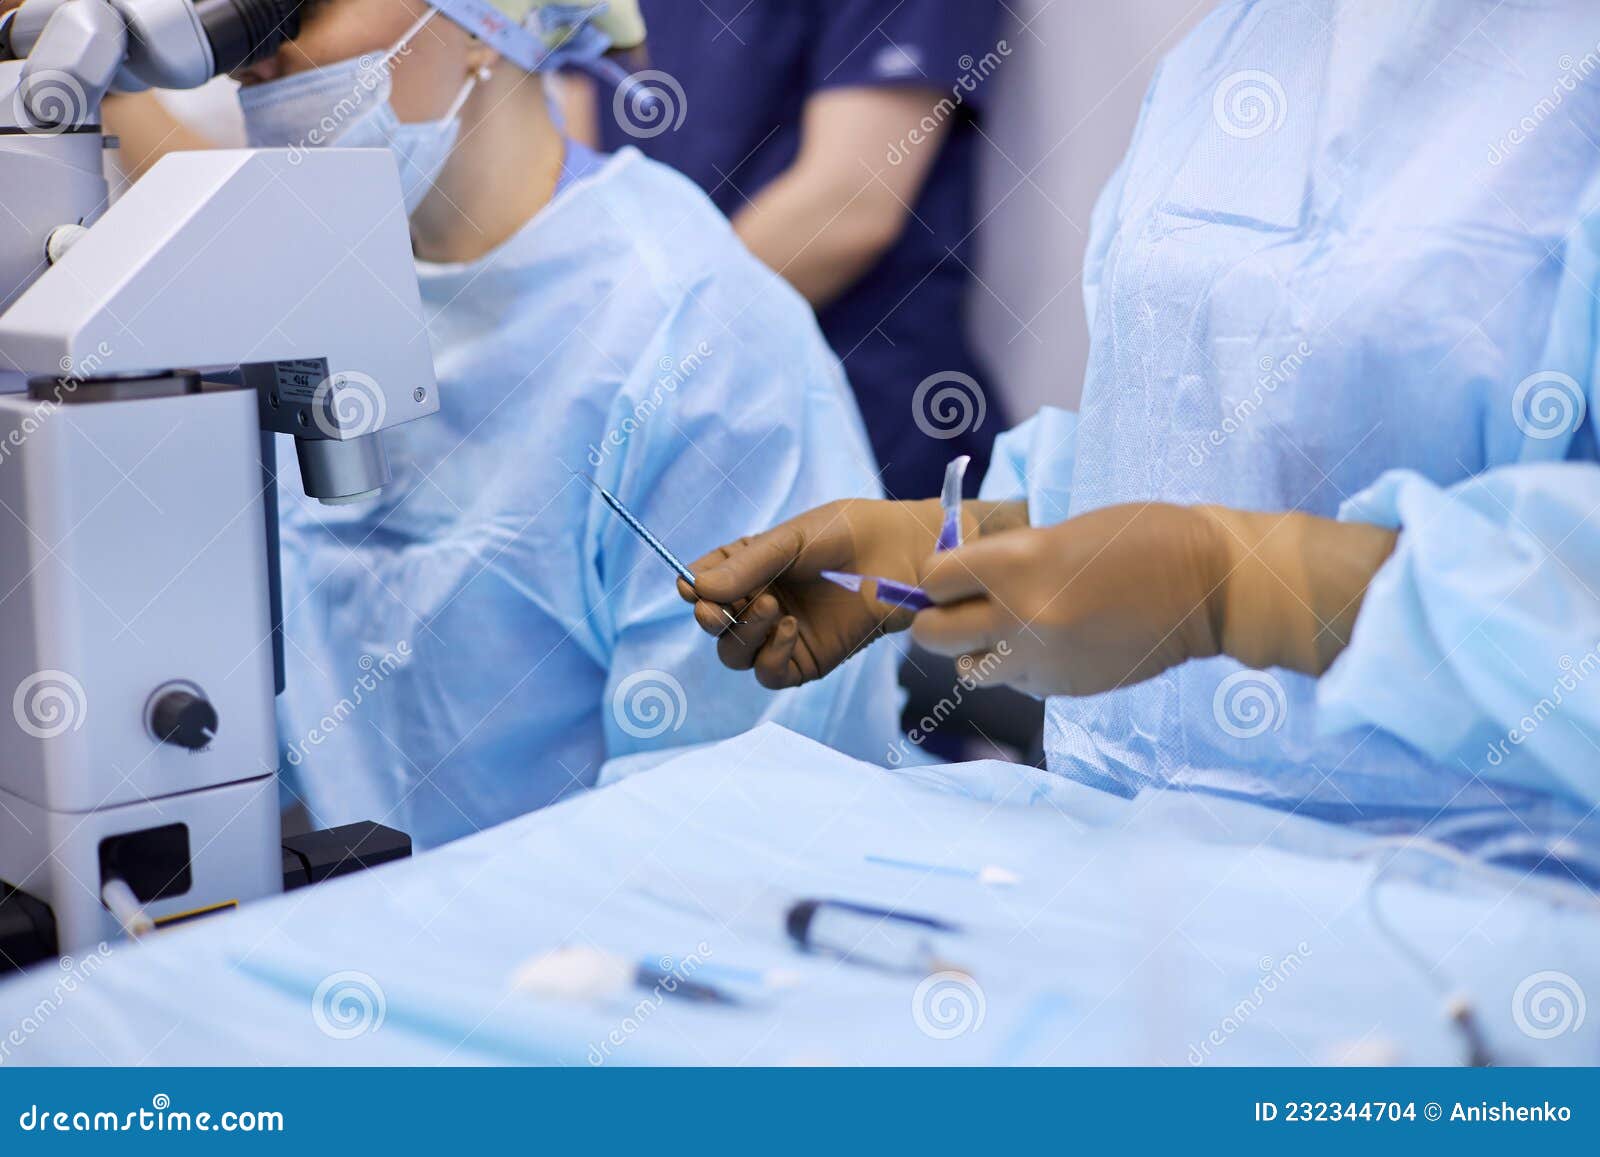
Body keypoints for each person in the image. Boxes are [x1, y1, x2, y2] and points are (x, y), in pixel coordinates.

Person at [679, 0, 1600, 865]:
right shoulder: (1239, 50)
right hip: (1128, 866)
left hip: (1480, 904)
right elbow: (1194, 445)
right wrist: (941, 550)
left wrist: (1237, 586)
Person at [205, 0, 902, 848]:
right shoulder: (298, 292)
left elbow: (740, 808)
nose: (253, 53)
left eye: (305, 4)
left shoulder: (690, 328)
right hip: (364, 919)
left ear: (483, 20)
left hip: (608, 944)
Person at [563, 0, 1009, 503]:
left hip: (862, 418)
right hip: (651, 422)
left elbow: (847, 206)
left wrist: (631, 353)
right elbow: (576, 188)